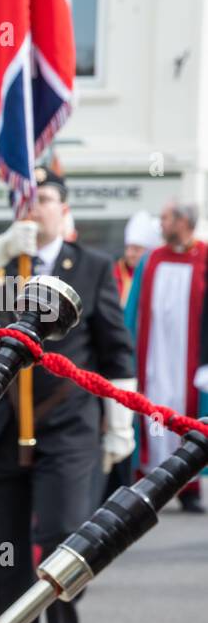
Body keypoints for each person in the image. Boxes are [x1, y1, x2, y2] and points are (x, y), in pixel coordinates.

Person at [0, 167, 136, 623]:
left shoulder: (90, 267)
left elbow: (114, 347)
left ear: (63, 211)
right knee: (6, 553)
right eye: (28, 198)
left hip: (67, 425)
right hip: (1, 428)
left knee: (65, 534)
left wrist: (119, 422)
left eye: (44, 198)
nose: (34, 206)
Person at [123, 199, 208, 513]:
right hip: (153, 355)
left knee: (189, 415)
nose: (161, 224)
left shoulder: (205, 257)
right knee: (152, 410)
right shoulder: (151, 259)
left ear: (184, 221)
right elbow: (133, 307)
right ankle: (150, 481)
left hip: (190, 357)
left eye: (166, 218)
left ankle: (190, 486)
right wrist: (126, 342)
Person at [113, 210, 161, 306]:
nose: (130, 254)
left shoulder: (158, 275)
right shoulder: (113, 274)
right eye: (128, 248)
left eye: (136, 249)